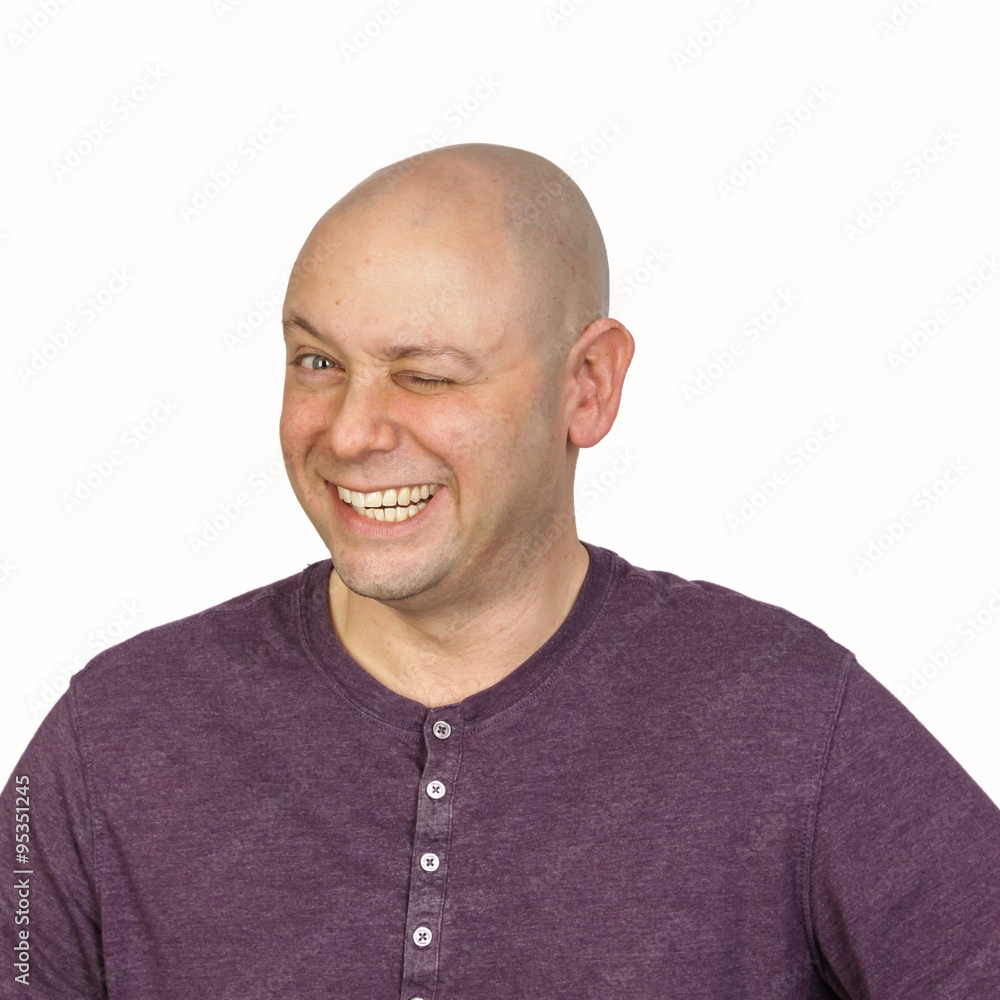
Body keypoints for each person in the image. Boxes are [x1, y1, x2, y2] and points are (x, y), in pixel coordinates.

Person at [2, 142, 998, 999]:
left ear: (588, 386)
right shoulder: (117, 734)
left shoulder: (783, 716)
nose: (350, 431)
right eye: (316, 361)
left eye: (426, 374)